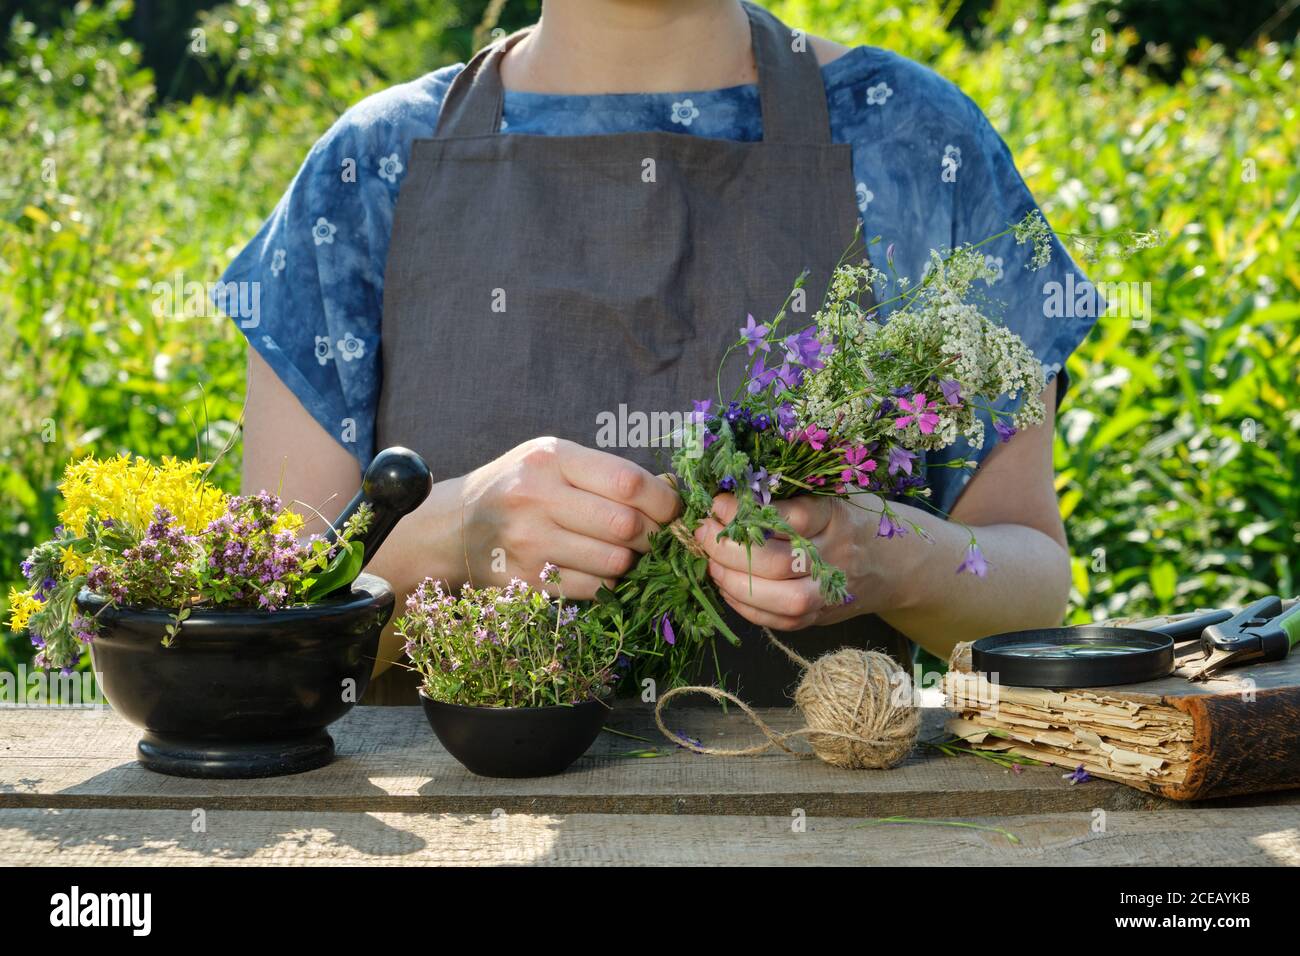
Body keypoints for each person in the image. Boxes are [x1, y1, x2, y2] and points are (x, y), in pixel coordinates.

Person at [220, 1, 1097, 704]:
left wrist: (891, 553)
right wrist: (450, 537)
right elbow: (259, 638)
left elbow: (1030, 590)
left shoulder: (916, 144)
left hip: (828, 836)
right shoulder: (366, 171)